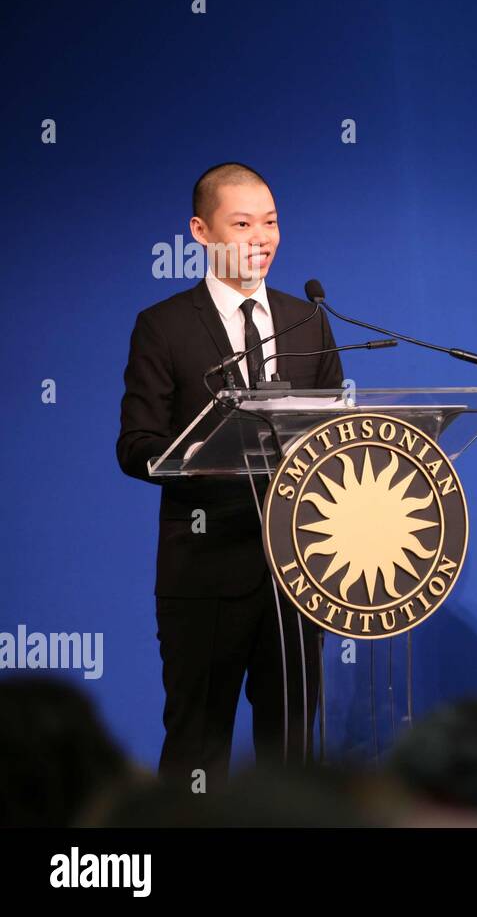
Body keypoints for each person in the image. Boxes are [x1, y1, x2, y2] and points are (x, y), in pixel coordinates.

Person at [117, 162, 345, 783]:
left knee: (292, 755)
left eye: (270, 222)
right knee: (197, 749)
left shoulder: (308, 319)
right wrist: (208, 452)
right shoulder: (163, 325)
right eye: (242, 224)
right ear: (201, 231)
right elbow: (136, 445)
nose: (261, 238)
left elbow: (333, 433)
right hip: (205, 569)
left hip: (298, 572)